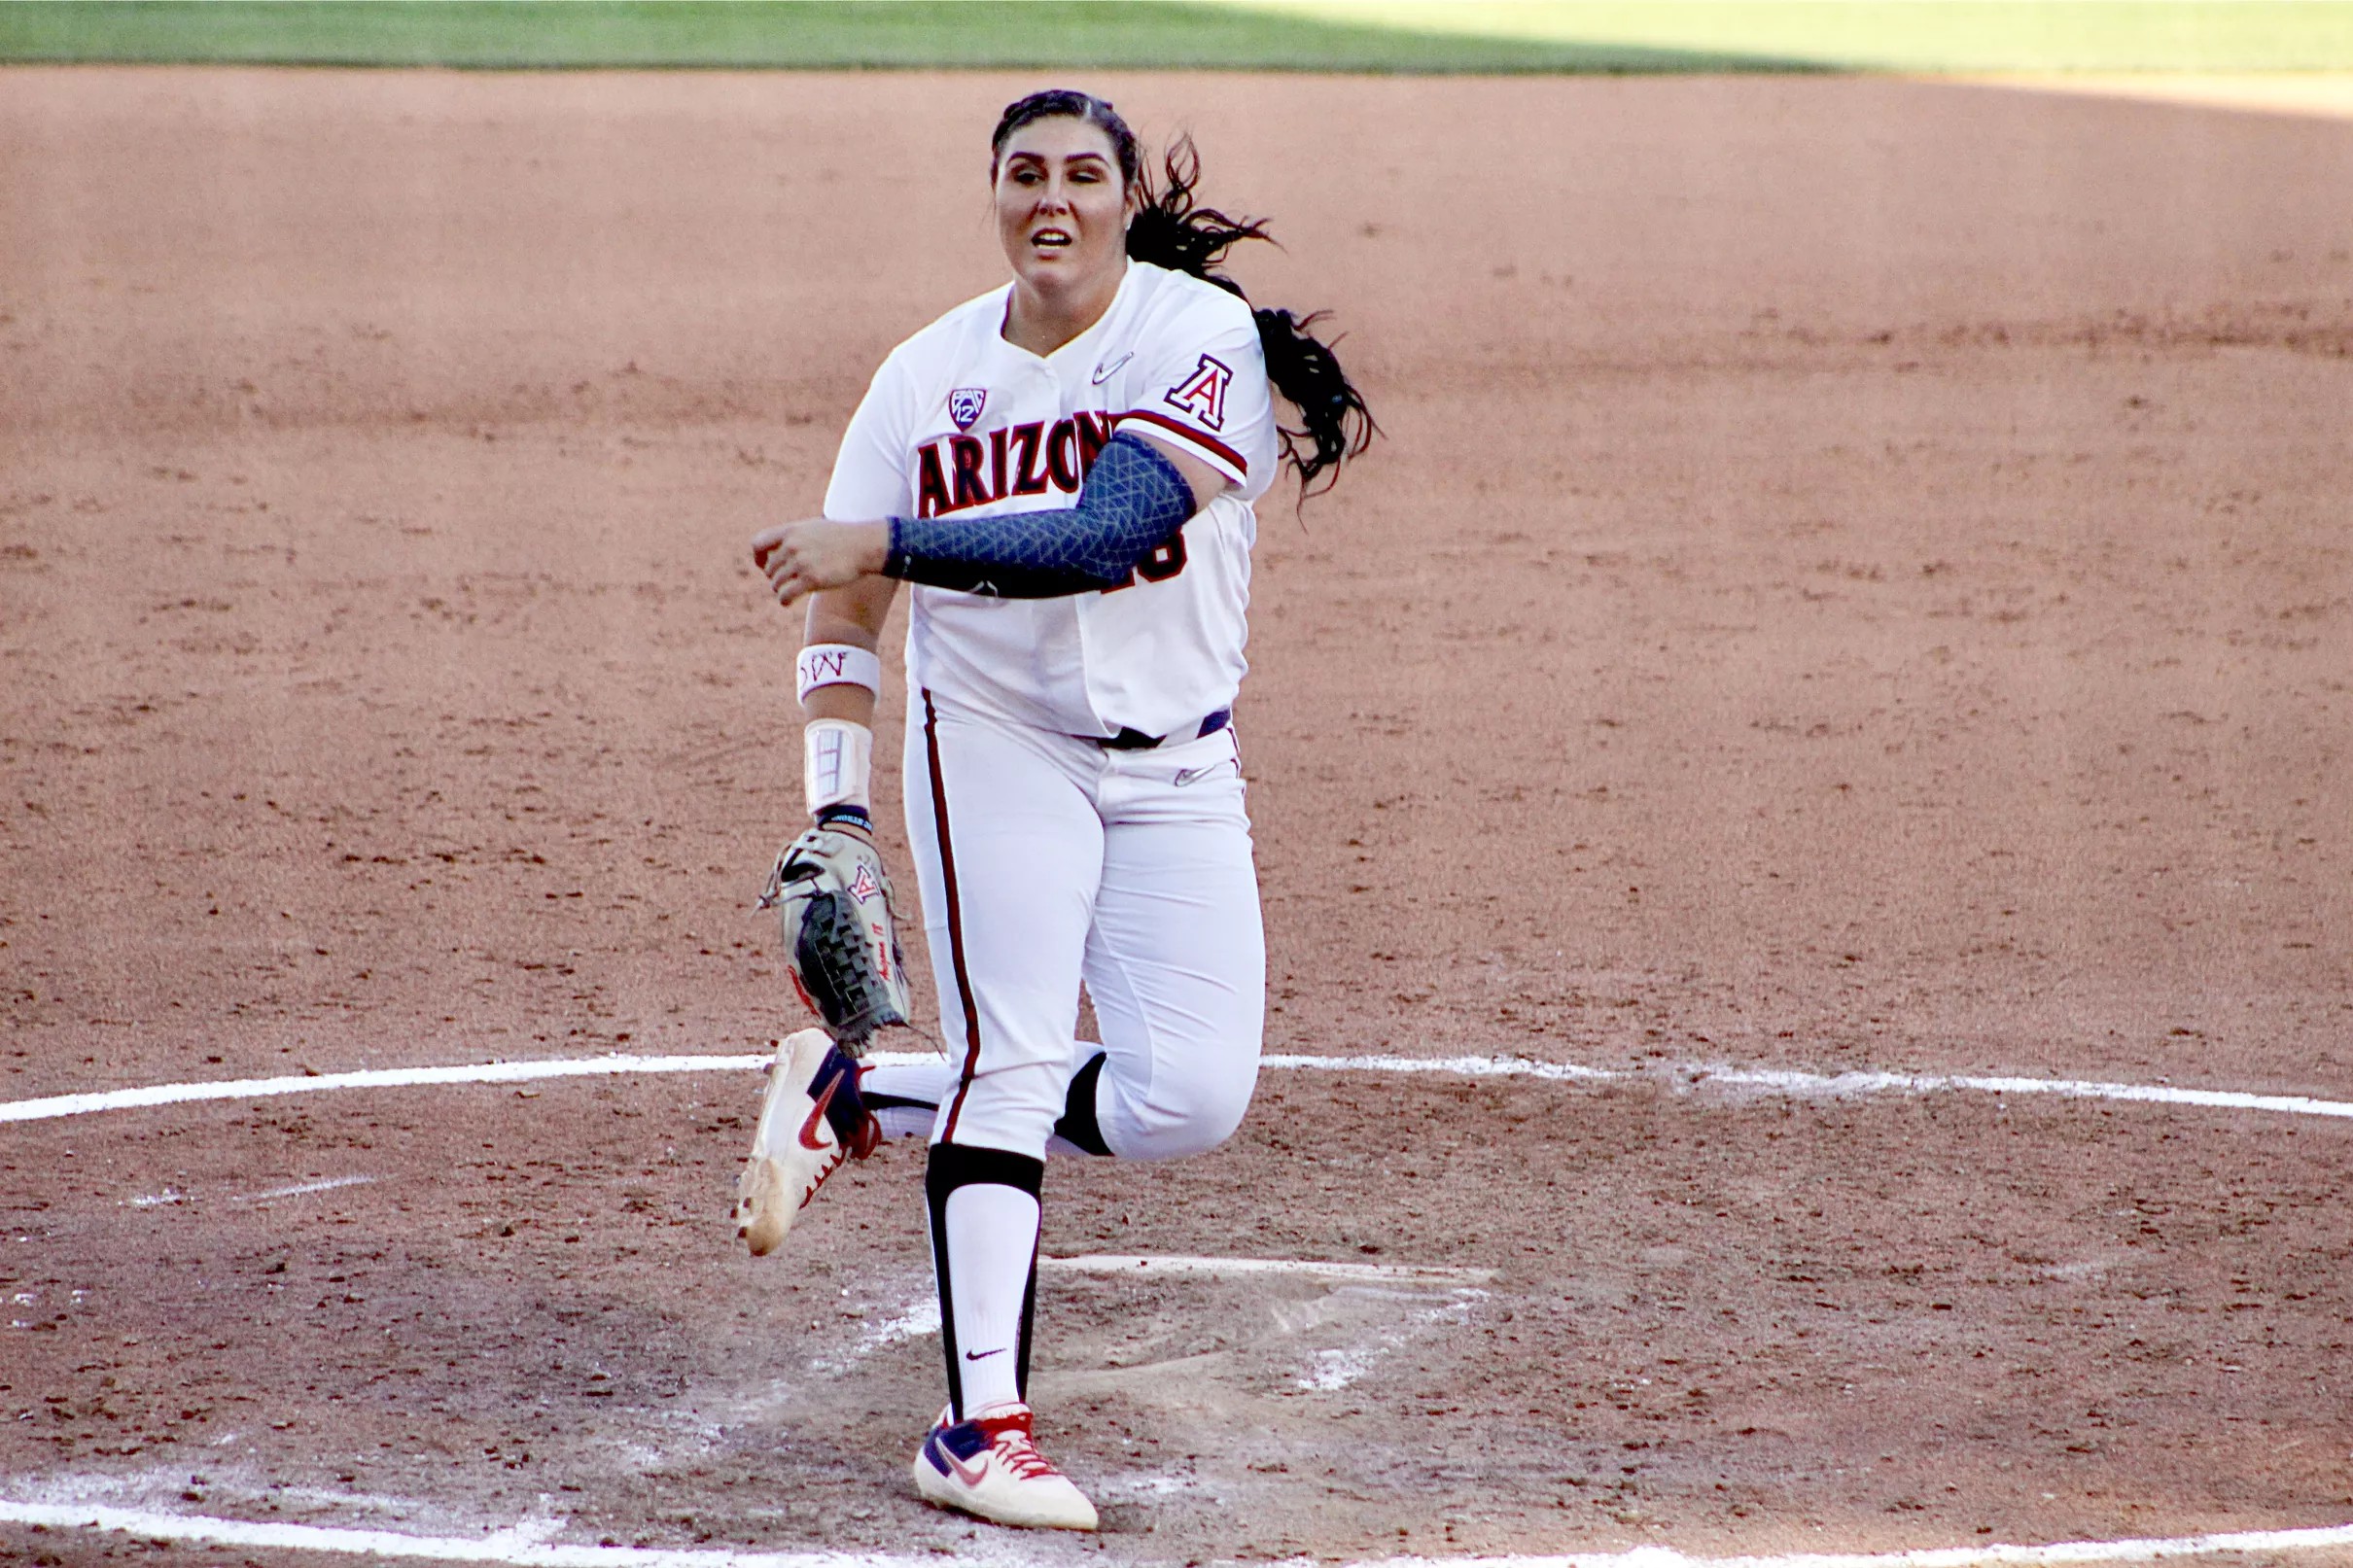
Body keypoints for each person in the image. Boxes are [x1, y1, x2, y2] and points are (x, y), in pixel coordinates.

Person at [741, 88, 1372, 1532]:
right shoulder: (922, 378)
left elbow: (1107, 533)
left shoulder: (1190, 338)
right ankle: (977, 1430)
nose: (1053, 199)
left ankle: (859, 1095)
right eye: (1025, 173)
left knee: (1185, 1096)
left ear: (1124, 199)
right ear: (994, 196)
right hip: (999, 746)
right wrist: (836, 811)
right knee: (1013, 1057)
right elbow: (844, 614)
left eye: (1083, 175)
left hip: (1179, 769)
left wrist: (892, 535)